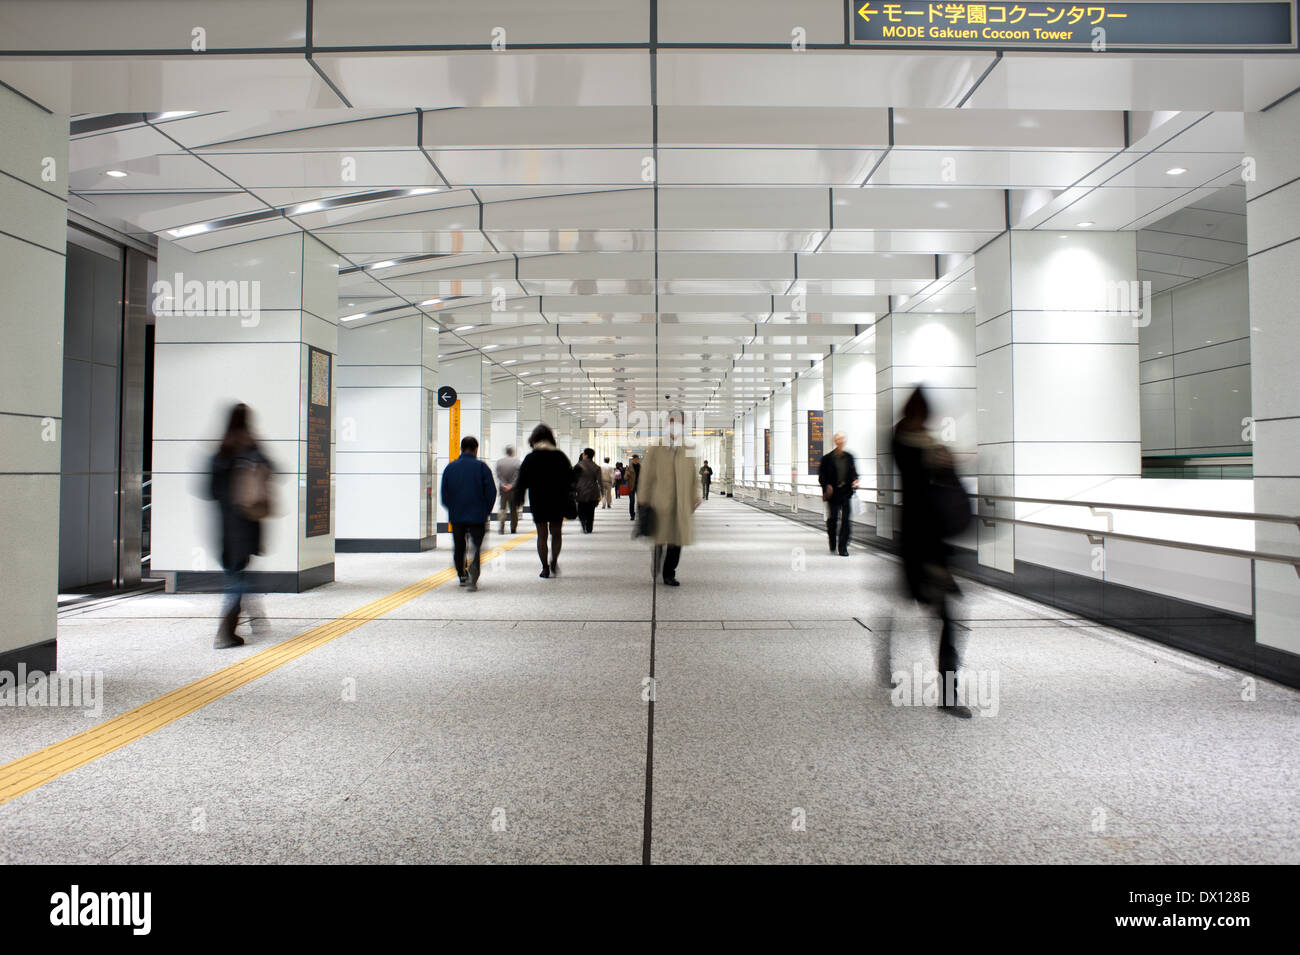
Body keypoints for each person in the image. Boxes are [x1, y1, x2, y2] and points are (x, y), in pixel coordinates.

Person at [892, 386, 969, 719]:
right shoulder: (904, 445)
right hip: (920, 545)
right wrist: (940, 461)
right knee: (943, 619)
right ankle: (948, 694)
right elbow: (920, 481)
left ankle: (947, 692)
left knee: (941, 617)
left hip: (930, 545)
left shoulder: (921, 446)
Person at [208, 403, 274, 649]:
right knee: (239, 578)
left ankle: (251, 620)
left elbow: (209, 491)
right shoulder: (251, 449)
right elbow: (275, 470)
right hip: (247, 523)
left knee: (236, 574)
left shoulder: (221, 452)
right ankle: (225, 631)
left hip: (225, 525)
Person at [638, 411, 700, 587]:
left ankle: (669, 573)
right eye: (672, 421)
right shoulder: (656, 448)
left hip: (681, 503)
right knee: (660, 537)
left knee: (676, 539)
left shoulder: (687, 448)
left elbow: (693, 476)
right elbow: (646, 475)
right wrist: (643, 497)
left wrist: (695, 496)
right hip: (660, 502)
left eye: (679, 422)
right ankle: (657, 558)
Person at [515, 424, 573, 578]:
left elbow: (522, 481)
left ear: (534, 439)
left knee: (541, 534)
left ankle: (545, 567)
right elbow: (570, 479)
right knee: (556, 532)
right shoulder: (560, 456)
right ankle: (554, 560)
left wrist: (519, 498)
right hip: (557, 499)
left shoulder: (530, 458)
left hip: (538, 499)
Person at [440, 436, 496, 592]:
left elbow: (444, 494)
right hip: (478, 515)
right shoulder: (482, 467)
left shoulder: (450, 468)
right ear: (476, 449)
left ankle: (461, 575)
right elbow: (491, 492)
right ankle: (473, 575)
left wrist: (452, 508)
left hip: (457, 515)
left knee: (459, 546)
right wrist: (486, 510)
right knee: (476, 547)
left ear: (461, 449)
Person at [818, 431, 859, 557]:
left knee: (846, 520)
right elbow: (821, 477)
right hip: (833, 494)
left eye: (842, 439)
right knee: (833, 519)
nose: (840, 441)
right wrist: (827, 486)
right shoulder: (827, 459)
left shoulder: (849, 457)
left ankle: (843, 547)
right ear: (835, 441)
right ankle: (832, 540)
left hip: (846, 493)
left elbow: (854, 473)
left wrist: (856, 480)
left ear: (844, 441)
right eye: (838, 439)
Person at [574, 448, 602, 533]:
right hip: (593, 491)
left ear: (585, 455)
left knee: (581, 509)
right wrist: (602, 494)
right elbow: (600, 481)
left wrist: (572, 491)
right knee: (591, 511)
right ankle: (589, 527)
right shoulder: (596, 467)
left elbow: (573, 479)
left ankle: (583, 523)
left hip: (581, 491)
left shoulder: (578, 465)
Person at [495, 444, 521, 534]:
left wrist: (504, 485)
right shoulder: (517, 462)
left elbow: (498, 476)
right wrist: (511, 485)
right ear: (512, 452)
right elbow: (518, 476)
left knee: (502, 509)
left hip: (503, 490)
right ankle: (513, 528)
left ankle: (501, 528)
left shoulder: (499, 462)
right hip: (513, 491)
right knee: (513, 510)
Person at [626, 453, 641, 520]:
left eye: (637, 459)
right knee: (632, 501)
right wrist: (627, 474)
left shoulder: (641, 467)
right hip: (631, 486)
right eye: (634, 459)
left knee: (641, 501)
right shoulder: (629, 467)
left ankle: (640, 514)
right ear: (632, 460)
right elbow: (625, 478)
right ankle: (632, 515)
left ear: (638, 460)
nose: (636, 460)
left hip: (640, 486)